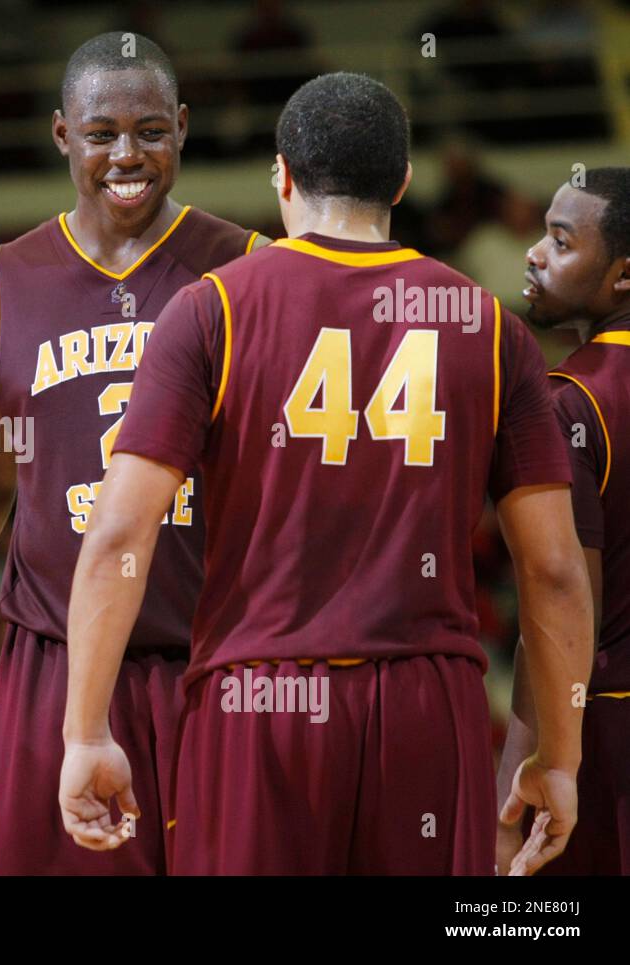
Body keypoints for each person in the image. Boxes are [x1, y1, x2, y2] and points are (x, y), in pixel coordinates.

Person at [60, 72, 592, 875]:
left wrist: (86, 733)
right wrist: (559, 755)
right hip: (427, 699)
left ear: (281, 173)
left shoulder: (211, 309)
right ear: (404, 182)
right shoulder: (488, 327)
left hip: (258, 698)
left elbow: (118, 536)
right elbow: (553, 571)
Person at [0, 32, 264, 875]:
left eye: (150, 130)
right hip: (56, 669)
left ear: (182, 128)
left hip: (213, 660)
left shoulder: (247, 271)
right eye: (102, 132)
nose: (127, 154)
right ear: (63, 135)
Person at [497, 167, 630, 874]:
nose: (534, 254)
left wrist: (517, 776)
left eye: (560, 241)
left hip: (607, 733)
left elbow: (562, 606)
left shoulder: (572, 401)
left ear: (623, 275)